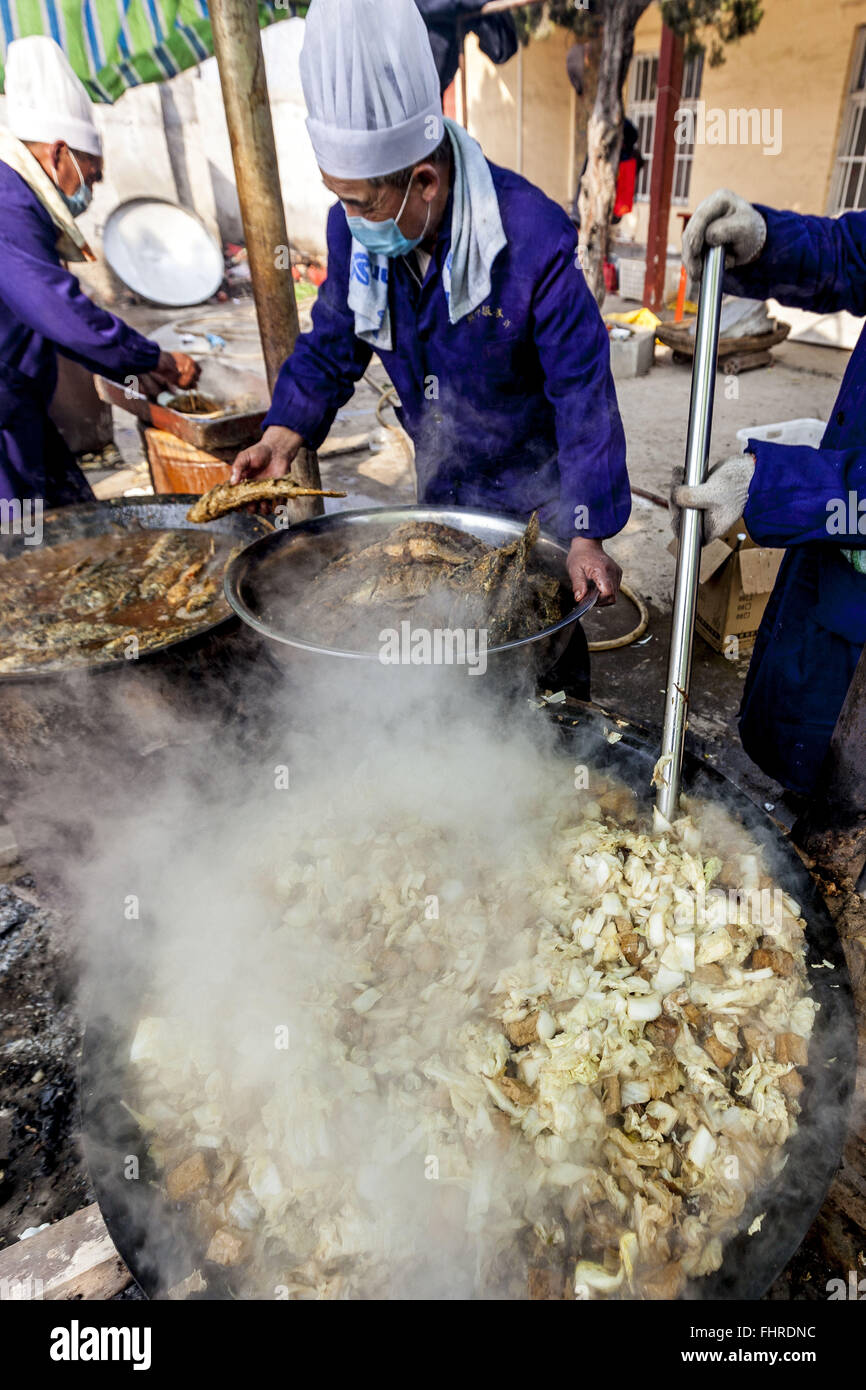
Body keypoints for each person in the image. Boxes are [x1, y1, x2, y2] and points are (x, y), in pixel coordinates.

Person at [232, 0, 630, 678]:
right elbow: (335, 338)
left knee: (539, 659)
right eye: (340, 199)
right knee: (446, 655)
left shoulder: (530, 242)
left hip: (540, 510)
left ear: (425, 181)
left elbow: (583, 393)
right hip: (443, 492)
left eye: (360, 203)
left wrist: (588, 533)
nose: (348, 219)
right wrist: (281, 436)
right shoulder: (358, 234)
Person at [672, 189, 866, 796]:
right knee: (801, 729)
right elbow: (851, 252)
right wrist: (766, 242)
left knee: (845, 795)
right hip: (840, 541)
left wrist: (771, 487)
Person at [0, 36, 199, 508]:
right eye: (90, 176)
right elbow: (57, 308)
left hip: (19, 405)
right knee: (21, 544)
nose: (88, 191)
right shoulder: (8, 199)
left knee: (67, 517)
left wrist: (133, 364)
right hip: (6, 413)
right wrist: (152, 358)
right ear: (57, 154)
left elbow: (51, 318)